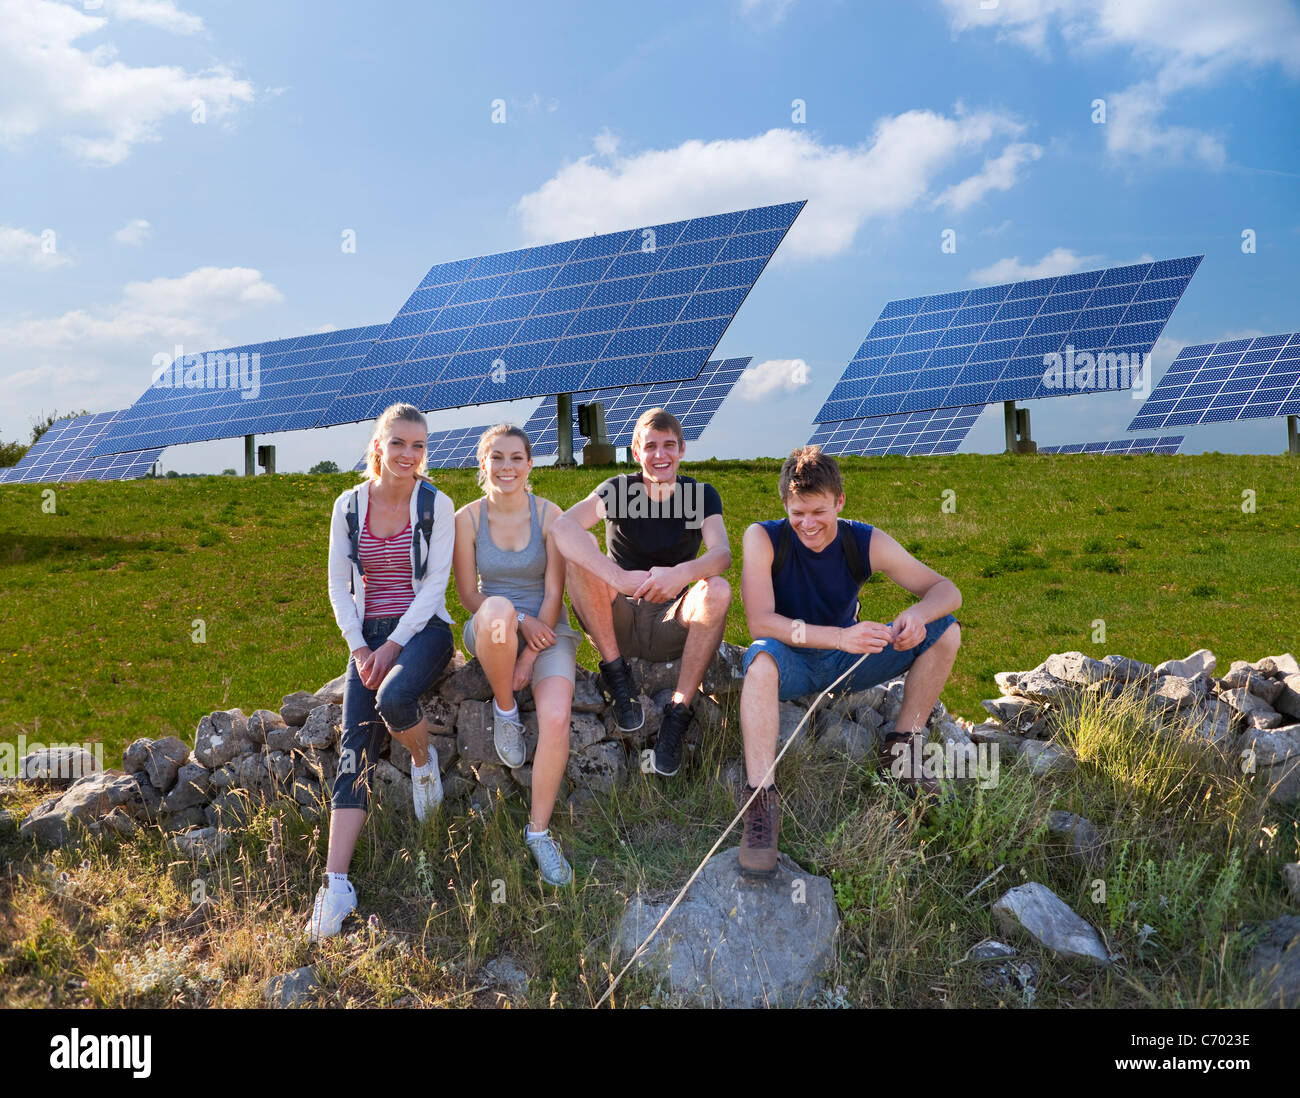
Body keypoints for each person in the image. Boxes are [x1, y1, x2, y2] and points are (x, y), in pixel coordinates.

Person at [735, 445, 961, 876]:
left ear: (840, 501)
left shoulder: (864, 540)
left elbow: (947, 591)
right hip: (792, 661)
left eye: (818, 511)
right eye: (797, 512)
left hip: (850, 665)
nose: (807, 524)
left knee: (946, 630)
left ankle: (903, 752)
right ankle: (760, 803)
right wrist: (840, 636)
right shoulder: (762, 538)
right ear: (785, 504)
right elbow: (760, 622)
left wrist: (916, 614)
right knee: (759, 660)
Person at [309, 403, 456, 940]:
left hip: (424, 631)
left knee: (393, 700)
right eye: (398, 443)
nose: (408, 455)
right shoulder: (348, 506)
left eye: (418, 446)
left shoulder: (436, 505)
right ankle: (337, 883)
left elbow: (436, 588)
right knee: (353, 751)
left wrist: (391, 647)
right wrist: (358, 648)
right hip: (367, 634)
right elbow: (337, 585)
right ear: (378, 446)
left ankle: (423, 759)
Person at [549, 408, 731, 777]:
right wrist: (617, 577)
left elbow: (721, 554)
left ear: (682, 449)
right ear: (636, 452)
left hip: (672, 619)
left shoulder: (700, 495)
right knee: (580, 550)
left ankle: (679, 711)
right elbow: (562, 527)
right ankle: (618, 676)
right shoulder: (618, 489)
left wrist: (680, 575)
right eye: (650, 446)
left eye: (668, 446)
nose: (660, 455)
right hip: (618, 618)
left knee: (718, 589)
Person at [453, 424, 582, 885]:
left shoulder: (550, 514)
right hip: (491, 626)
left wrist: (530, 653)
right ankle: (504, 710)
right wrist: (515, 622)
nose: (507, 467)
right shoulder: (466, 519)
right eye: (497, 458)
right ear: (483, 464)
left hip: (548, 630)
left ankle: (538, 833)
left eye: (516, 458)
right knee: (499, 608)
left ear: (530, 465)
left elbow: (554, 591)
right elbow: (469, 594)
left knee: (554, 717)